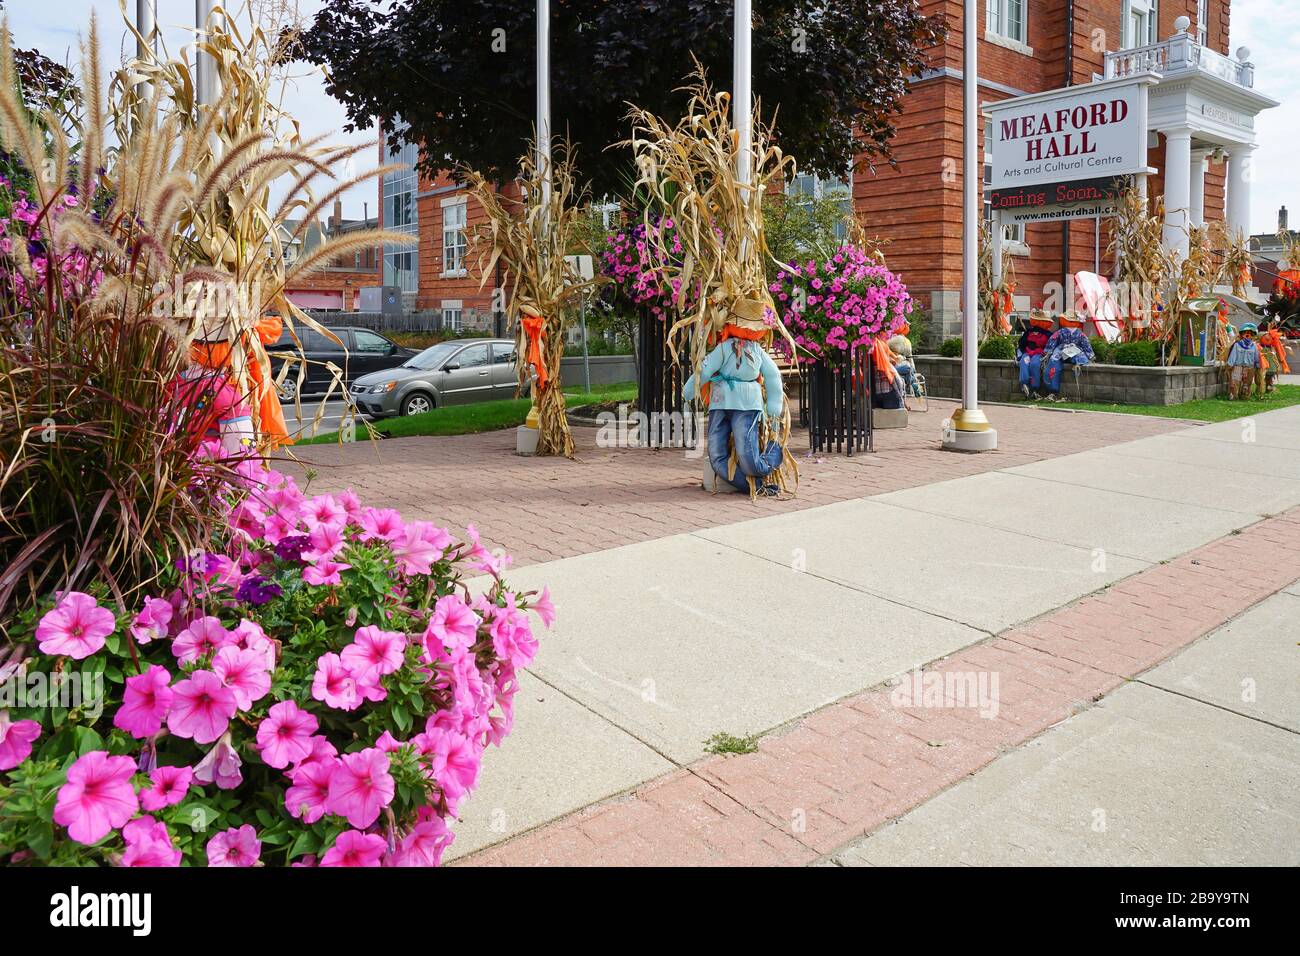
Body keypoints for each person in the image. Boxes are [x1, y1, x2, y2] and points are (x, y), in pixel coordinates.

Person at [683, 297, 787, 496]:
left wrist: (774, 407)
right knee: (716, 457)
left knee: (749, 461)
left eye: (754, 328)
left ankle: (774, 452)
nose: (749, 331)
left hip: (748, 406)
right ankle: (755, 487)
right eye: (746, 326)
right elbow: (705, 370)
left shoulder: (757, 351)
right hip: (719, 404)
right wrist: (690, 389)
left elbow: (773, 375)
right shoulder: (723, 349)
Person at [1041, 313, 1094, 402]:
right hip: (1062, 350)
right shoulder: (1062, 332)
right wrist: (1048, 352)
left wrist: (1089, 354)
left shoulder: (1079, 334)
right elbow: (1053, 340)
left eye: (1074, 321)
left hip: (1074, 350)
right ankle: (1053, 390)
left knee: (1076, 357)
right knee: (1053, 366)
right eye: (1070, 321)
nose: (1072, 323)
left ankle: (1077, 363)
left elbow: (1086, 344)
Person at [1016, 310, 1054, 399]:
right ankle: (1024, 384)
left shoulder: (1048, 334)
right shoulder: (1028, 332)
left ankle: (1034, 388)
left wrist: (1047, 353)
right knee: (1024, 363)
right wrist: (1021, 353)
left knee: (1035, 364)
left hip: (1040, 353)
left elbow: (1051, 345)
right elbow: (1021, 344)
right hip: (1028, 352)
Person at [1225, 322, 1262, 400]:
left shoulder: (1254, 346)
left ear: (1253, 336)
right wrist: (1229, 365)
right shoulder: (1237, 345)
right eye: (1246, 334)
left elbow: (1256, 357)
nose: (1248, 336)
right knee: (1235, 382)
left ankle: (1245, 396)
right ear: (1242, 335)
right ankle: (1233, 396)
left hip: (1249, 367)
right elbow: (1233, 355)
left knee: (1247, 384)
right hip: (1237, 366)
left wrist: (1258, 365)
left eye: (1250, 334)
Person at [887, 321, 919, 403]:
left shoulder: (891, 340)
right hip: (898, 366)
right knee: (909, 368)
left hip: (896, 366)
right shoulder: (907, 341)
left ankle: (911, 382)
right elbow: (910, 357)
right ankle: (912, 383)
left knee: (908, 370)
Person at [1258, 318, 1290, 393]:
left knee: (1269, 377)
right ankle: (1261, 389)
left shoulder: (1272, 348)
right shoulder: (1261, 347)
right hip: (1263, 367)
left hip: (1271, 367)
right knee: (1261, 378)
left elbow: (1276, 355)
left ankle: (1269, 387)